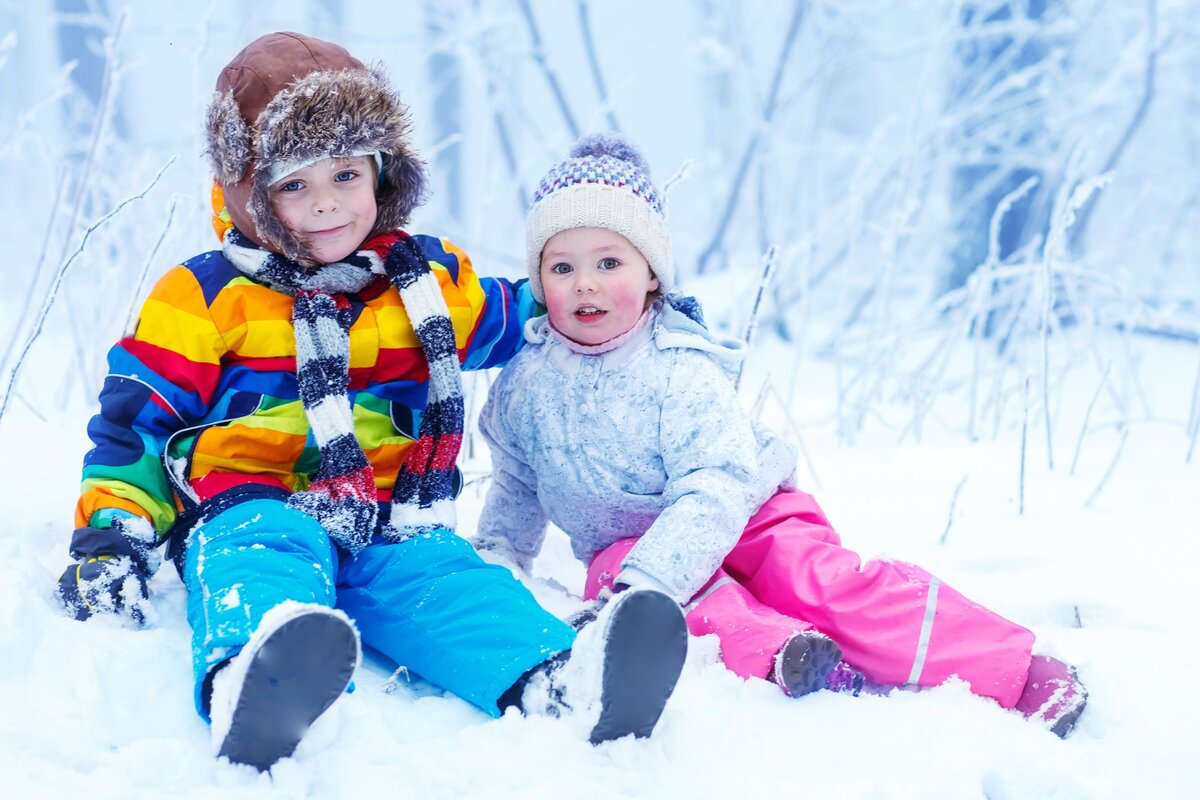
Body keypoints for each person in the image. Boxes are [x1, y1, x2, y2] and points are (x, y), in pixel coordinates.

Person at [54, 33, 687, 772]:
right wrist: (115, 536)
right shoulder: (203, 297)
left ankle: (564, 680)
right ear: (247, 194)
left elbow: (512, 317)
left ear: (383, 173)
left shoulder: (425, 283)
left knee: (445, 578)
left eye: (346, 174)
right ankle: (257, 678)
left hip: (389, 515)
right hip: (251, 502)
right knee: (262, 554)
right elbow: (135, 425)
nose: (326, 203)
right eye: (293, 184)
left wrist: (607, 299)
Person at [476, 133, 1088, 738]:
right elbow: (517, 482)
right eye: (562, 267)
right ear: (538, 283)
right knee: (650, 606)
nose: (585, 282)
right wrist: (499, 557)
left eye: (609, 262)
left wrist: (656, 571)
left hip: (751, 515)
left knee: (821, 585)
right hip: (630, 546)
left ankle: (1011, 667)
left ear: (653, 274)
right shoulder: (525, 388)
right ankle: (792, 657)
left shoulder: (678, 367)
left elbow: (716, 484)